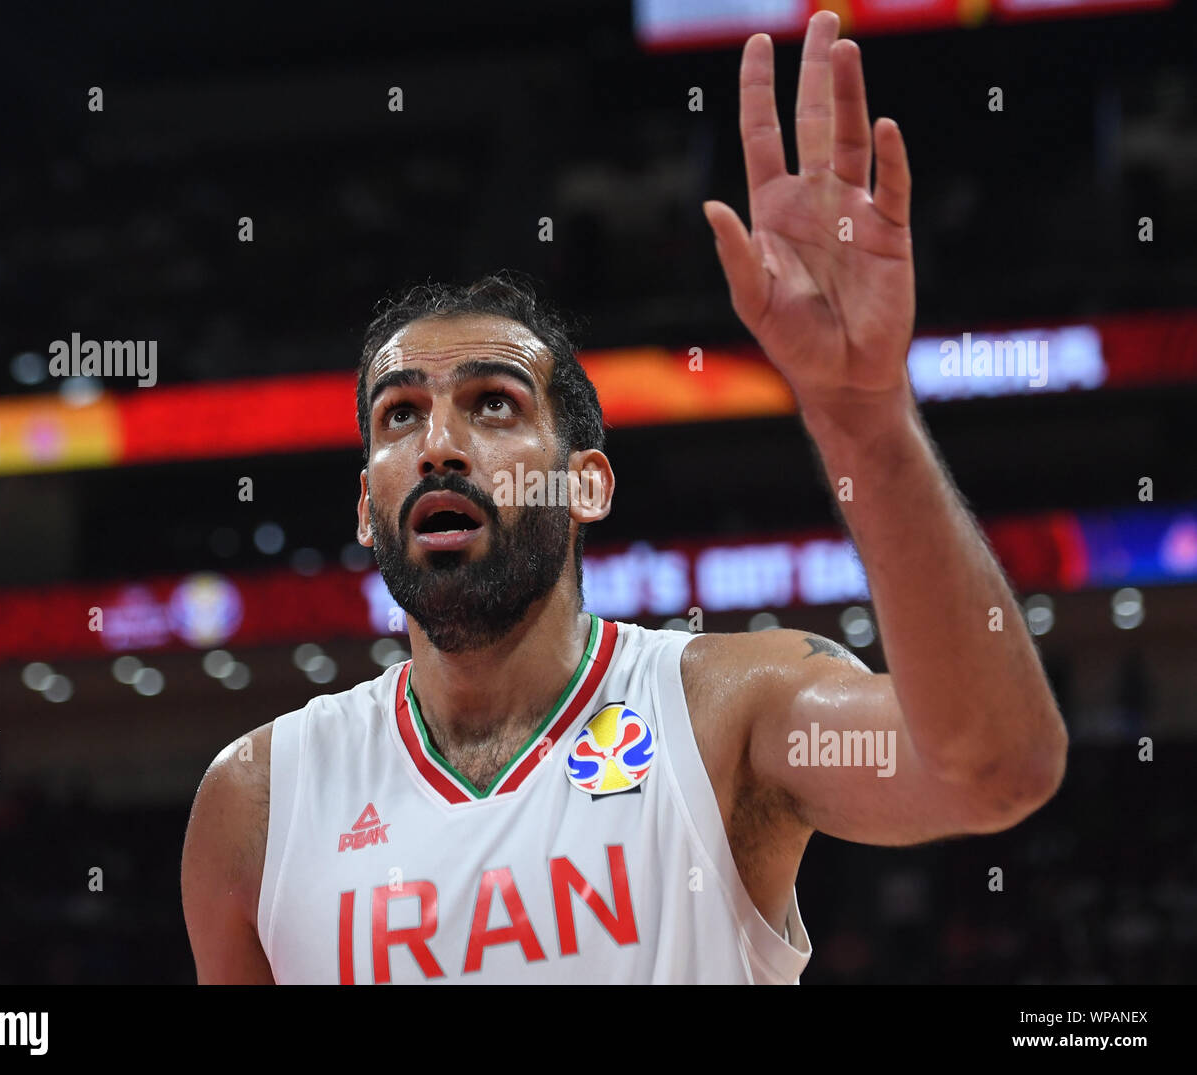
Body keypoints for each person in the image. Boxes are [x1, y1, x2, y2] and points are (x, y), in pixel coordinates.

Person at [181, 11, 1068, 984]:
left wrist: (867, 417)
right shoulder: (258, 801)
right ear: (364, 506)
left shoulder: (729, 710)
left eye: (492, 403)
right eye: (398, 416)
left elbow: (995, 770)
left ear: (586, 481)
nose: (438, 443)